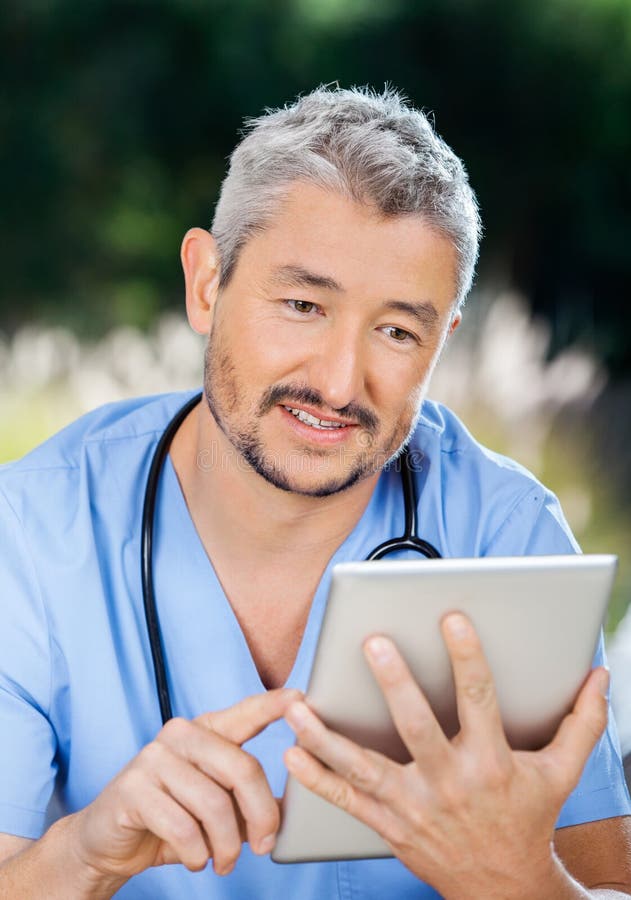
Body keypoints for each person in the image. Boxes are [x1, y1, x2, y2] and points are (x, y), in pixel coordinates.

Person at [0, 85, 629, 899]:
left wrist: (513, 877)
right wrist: (87, 854)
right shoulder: (32, 531)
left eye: (397, 332)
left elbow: (604, 881)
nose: (338, 382)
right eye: (302, 305)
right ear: (205, 283)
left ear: (443, 343)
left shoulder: (504, 531)